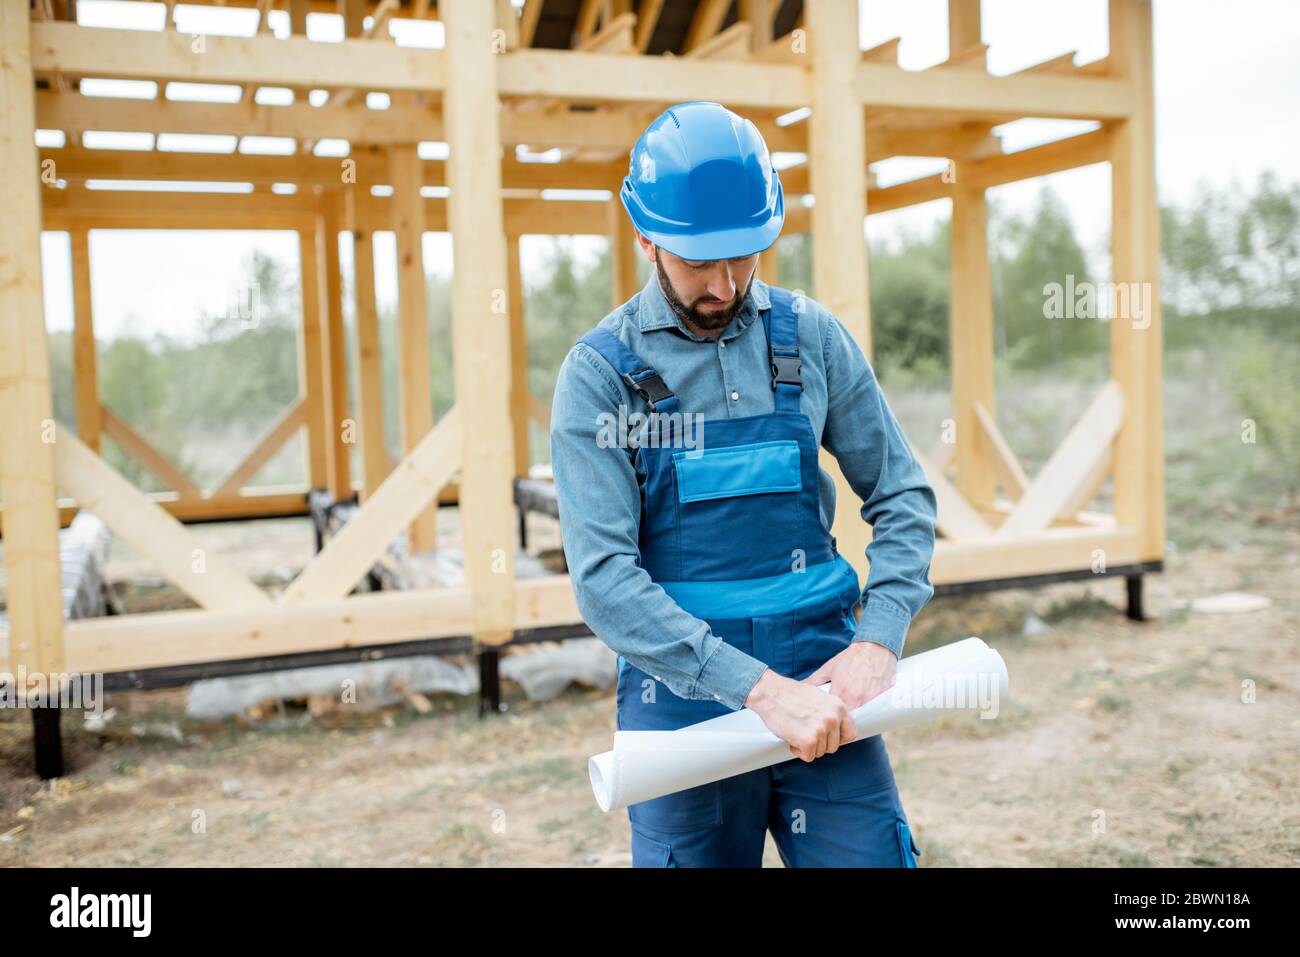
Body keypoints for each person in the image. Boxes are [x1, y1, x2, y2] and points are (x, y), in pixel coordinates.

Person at [550, 100, 937, 867]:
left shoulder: (813, 337)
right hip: (683, 701)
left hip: (828, 680)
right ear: (647, 236)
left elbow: (902, 494)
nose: (725, 285)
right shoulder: (600, 378)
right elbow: (603, 580)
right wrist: (759, 689)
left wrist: (879, 639)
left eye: (745, 256)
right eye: (699, 261)